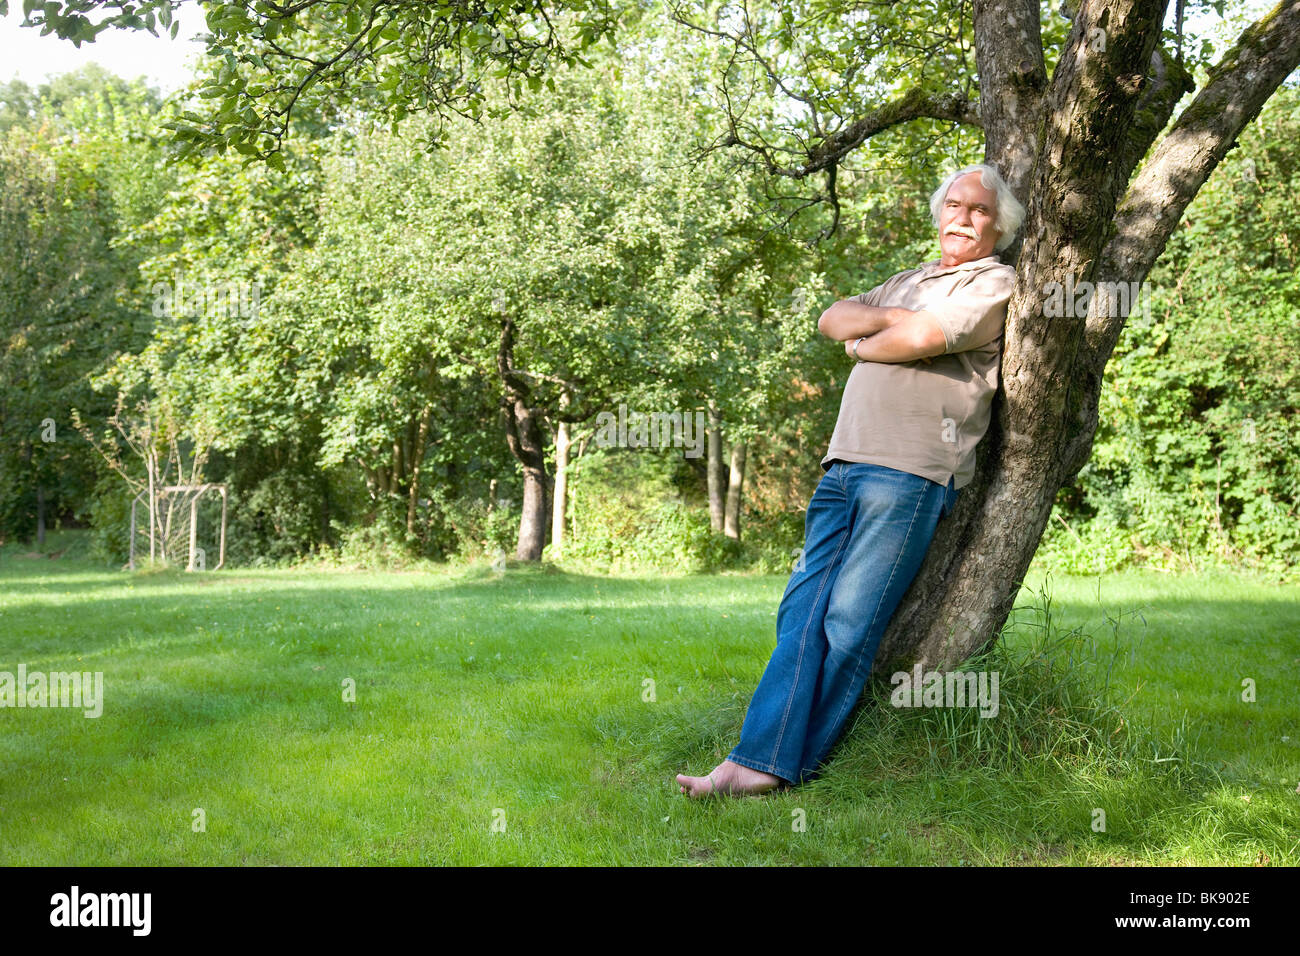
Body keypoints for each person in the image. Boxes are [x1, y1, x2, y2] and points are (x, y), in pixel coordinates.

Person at [676, 163, 1026, 797]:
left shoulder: (994, 282)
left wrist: (869, 341)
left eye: (978, 210)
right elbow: (833, 317)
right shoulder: (913, 280)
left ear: (999, 226)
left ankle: (766, 766)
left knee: (849, 623)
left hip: (911, 471)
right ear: (938, 212)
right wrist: (882, 321)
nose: (962, 217)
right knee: (800, 611)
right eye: (954, 204)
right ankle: (763, 760)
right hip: (843, 464)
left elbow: (920, 335)